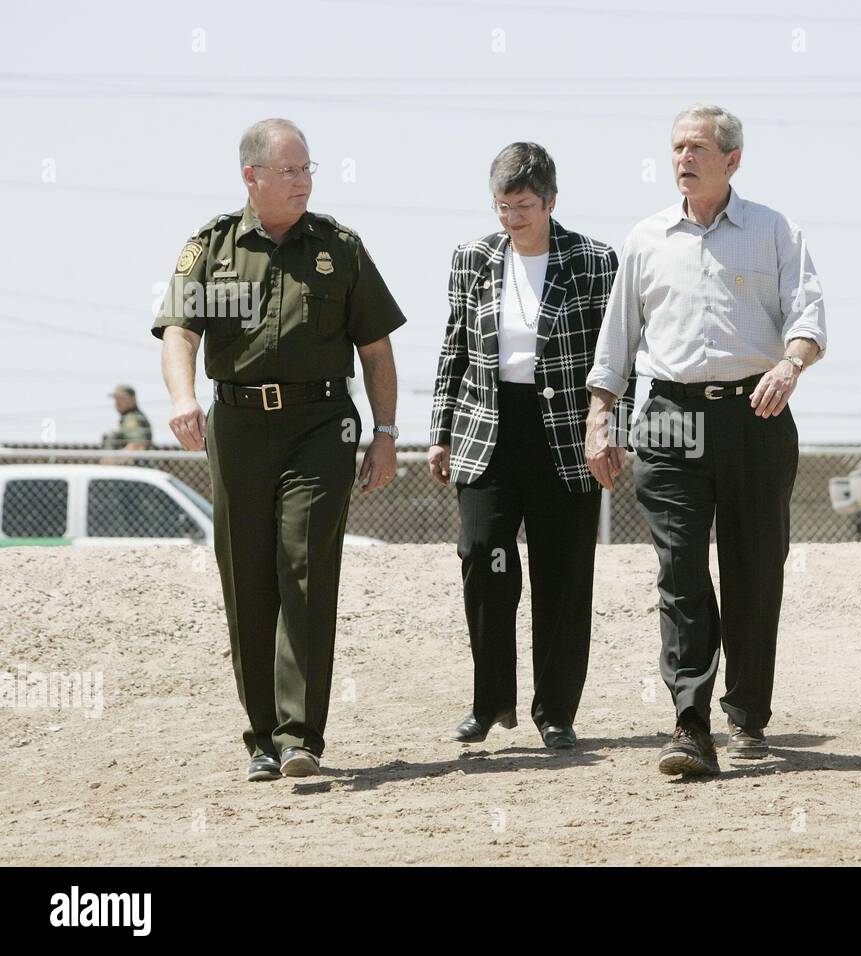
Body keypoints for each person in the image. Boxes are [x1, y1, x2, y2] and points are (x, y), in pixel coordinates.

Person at [153, 118, 407, 782]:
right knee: (247, 576)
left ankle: (300, 736)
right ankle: (261, 738)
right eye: (288, 172)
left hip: (320, 425)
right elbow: (179, 332)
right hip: (236, 425)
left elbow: (376, 350)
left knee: (304, 564)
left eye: (307, 170)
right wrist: (182, 399)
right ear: (252, 177)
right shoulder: (211, 248)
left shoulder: (340, 248)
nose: (302, 183)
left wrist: (384, 433)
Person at [585, 104, 827, 776]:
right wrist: (599, 418)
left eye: (696, 148)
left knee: (753, 569)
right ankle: (690, 724)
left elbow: (809, 316)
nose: (683, 159)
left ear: (732, 159)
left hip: (756, 412)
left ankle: (747, 713)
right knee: (680, 568)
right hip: (668, 417)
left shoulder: (775, 232)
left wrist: (790, 363)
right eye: (676, 148)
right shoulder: (646, 239)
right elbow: (616, 345)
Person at [428, 142, 626, 750]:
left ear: (551, 201)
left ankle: (556, 711)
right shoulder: (472, 258)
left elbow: (615, 355)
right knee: (484, 556)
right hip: (487, 428)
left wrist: (609, 427)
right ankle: (491, 703)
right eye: (503, 206)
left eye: (524, 206)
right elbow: (453, 348)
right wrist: (438, 432)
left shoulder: (594, 261)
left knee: (563, 575)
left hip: (566, 434)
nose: (512, 218)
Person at [102, 385, 152, 451]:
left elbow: (137, 445)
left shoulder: (132, 418)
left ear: (132, 399)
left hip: (125, 461)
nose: (117, 402)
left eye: (121, 398)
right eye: (116, 399)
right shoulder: (128, 417)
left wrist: (112, 459)